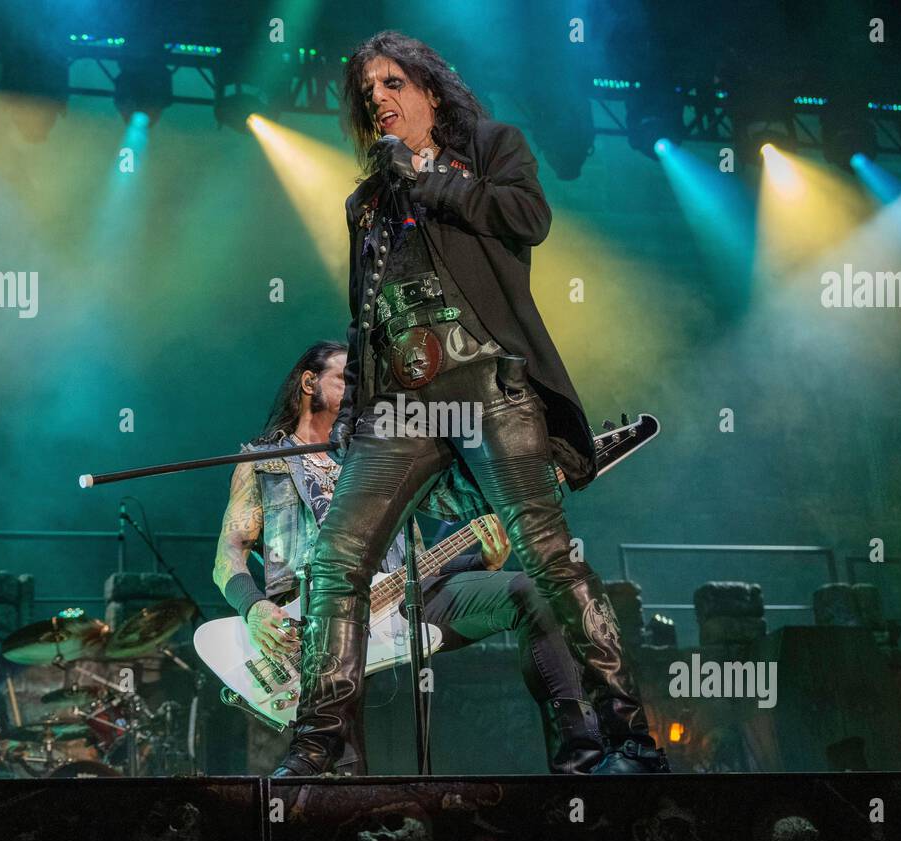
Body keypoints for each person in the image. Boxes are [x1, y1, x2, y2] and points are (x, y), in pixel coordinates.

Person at [272, 32, 667, 777]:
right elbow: (368, 319)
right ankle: (325, 745)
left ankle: (628, 738)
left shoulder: (490, 147)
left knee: (549, 558)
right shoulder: (366, 203)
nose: (378, 100)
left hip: (488, 382)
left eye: (392, 84)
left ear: (428, 89)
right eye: (367, 95)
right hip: (404, 408)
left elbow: (528, 218)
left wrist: (427, 173)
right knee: (335, 557)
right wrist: (359, 413)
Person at [214, 340, 606, 773]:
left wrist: (480, 561)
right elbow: (228, 555)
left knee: (535, 592)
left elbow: (418, 563)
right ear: (309, 382)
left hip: (408, 598)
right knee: (342, 778)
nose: (359, 394)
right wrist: (254, 609)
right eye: (346, 379)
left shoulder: (381, 455)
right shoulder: (265, 462)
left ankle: (581, 763)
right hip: (322, 617)